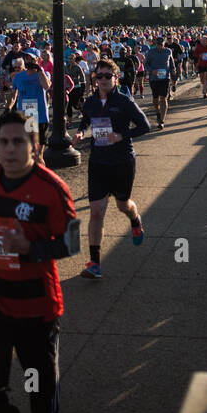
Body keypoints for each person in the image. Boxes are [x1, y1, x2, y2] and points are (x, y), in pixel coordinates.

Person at [0, 110, 77, 413]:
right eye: (3, 142)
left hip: (36, 307)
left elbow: (73, 243)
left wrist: (32, 248)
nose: (10, 149)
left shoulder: (52, 189)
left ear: (34, 146)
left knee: (39, 392)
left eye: (18, 142)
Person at [73, 59, 150, 279]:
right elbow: (86, 119)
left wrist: (120, 136)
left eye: (108, 76)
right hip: (98, 161)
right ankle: (94, 264)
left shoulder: (124, 101)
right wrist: (80, 132)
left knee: (123, 204)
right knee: (97, 211)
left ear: (116, 78)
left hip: (122, 161)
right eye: (100, 76)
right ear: (94, 79)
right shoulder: (90, 102)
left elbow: (145, 126)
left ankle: (135, 220)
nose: (103, 80)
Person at [10, 53, 51, 148]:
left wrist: (39, 69)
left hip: (40, 115)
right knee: (30, 149)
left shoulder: (44, 74)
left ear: (38, 59)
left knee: (39, 152)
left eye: (32, 59)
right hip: (26, 114)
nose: (29, 62)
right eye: (27, 59)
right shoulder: (18, 76)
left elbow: (46, 86)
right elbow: (13, 95)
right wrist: (9, 107)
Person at [143, 35, 176, 130]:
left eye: (161, 45)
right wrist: (151, 71)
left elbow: (171, 62)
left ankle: (162, 121)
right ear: (155, 44)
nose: (160, 46)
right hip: (154, 79)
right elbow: (145, 64)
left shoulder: (168, 51)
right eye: (158, 45)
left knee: (163, 98)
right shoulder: (150, 52)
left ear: (164, 44)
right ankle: (157, 111)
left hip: (165, 78)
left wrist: (173, 69)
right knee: (155, 100)